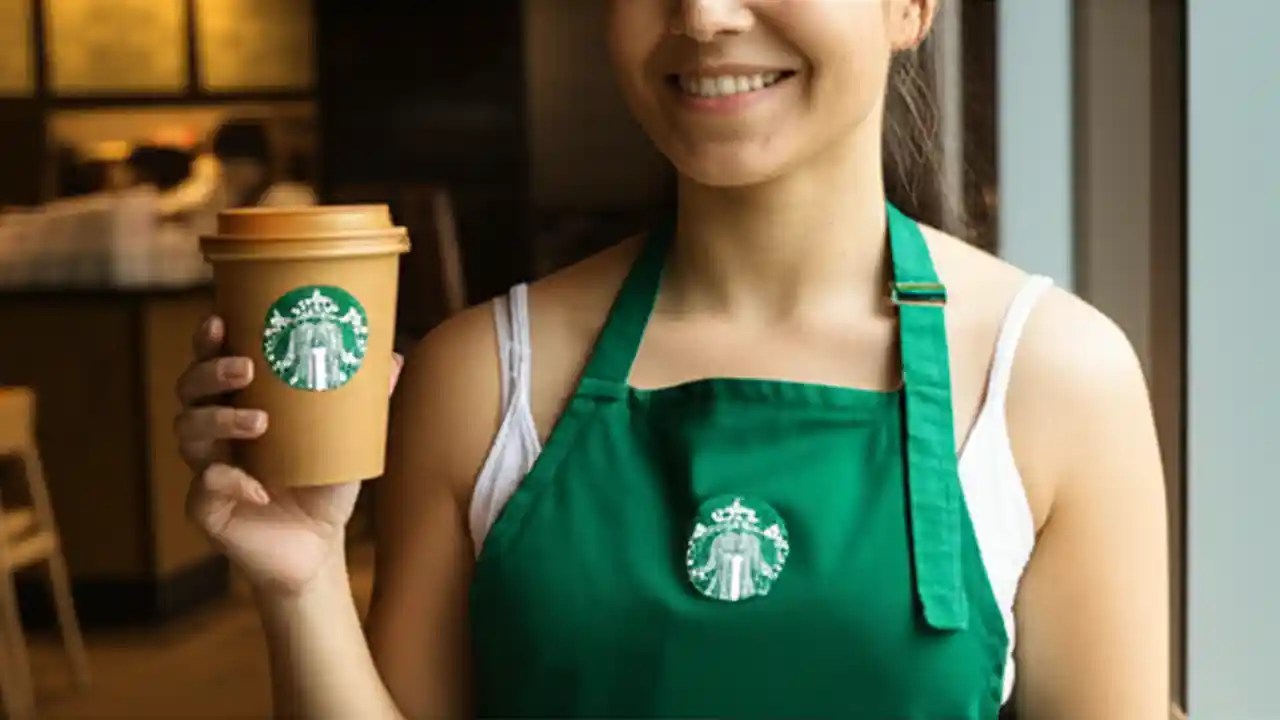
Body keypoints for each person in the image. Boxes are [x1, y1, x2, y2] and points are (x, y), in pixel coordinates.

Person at [174, 1, 1169, 717]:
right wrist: (300, 581)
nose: (699, 16)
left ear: (909, 7)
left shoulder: (1049, 375)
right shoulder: (479, 376)